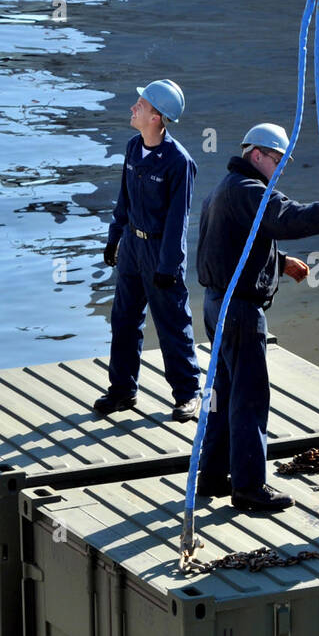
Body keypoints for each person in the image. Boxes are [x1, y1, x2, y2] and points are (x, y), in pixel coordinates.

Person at [196, 123, 319, 514]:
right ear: (257, 155)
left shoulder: (223, 189)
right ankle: (248, 487)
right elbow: (285, 217)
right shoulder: (249, 191)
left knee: (223, 394)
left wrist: (277, 263)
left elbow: (228, 247)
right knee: (250, 396)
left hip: (217, 304)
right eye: (277, 161)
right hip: (241, 311)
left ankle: (211, 475)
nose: (279, 169)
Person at [93, 79, 201, 420]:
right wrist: (114, 237)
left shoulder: (178, 162)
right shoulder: (132, 148)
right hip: (132, 248)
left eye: (139, 105)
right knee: (123, 320)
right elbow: (124, 199)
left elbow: (177, 221)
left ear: (156, 117)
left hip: (160, 252)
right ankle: (122, 390)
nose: (132, 108)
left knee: (172, 323)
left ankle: (188, 394)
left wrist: (169, 266)